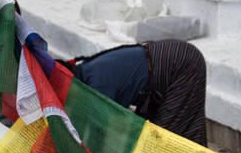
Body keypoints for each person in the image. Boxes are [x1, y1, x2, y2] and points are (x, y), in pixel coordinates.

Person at [67, 39, 207, 145]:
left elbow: (98, 127)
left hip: (183, 64)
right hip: (163, 71)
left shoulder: (97, 84)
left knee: (162, 136)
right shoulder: (87, 71)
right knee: (157, 127)